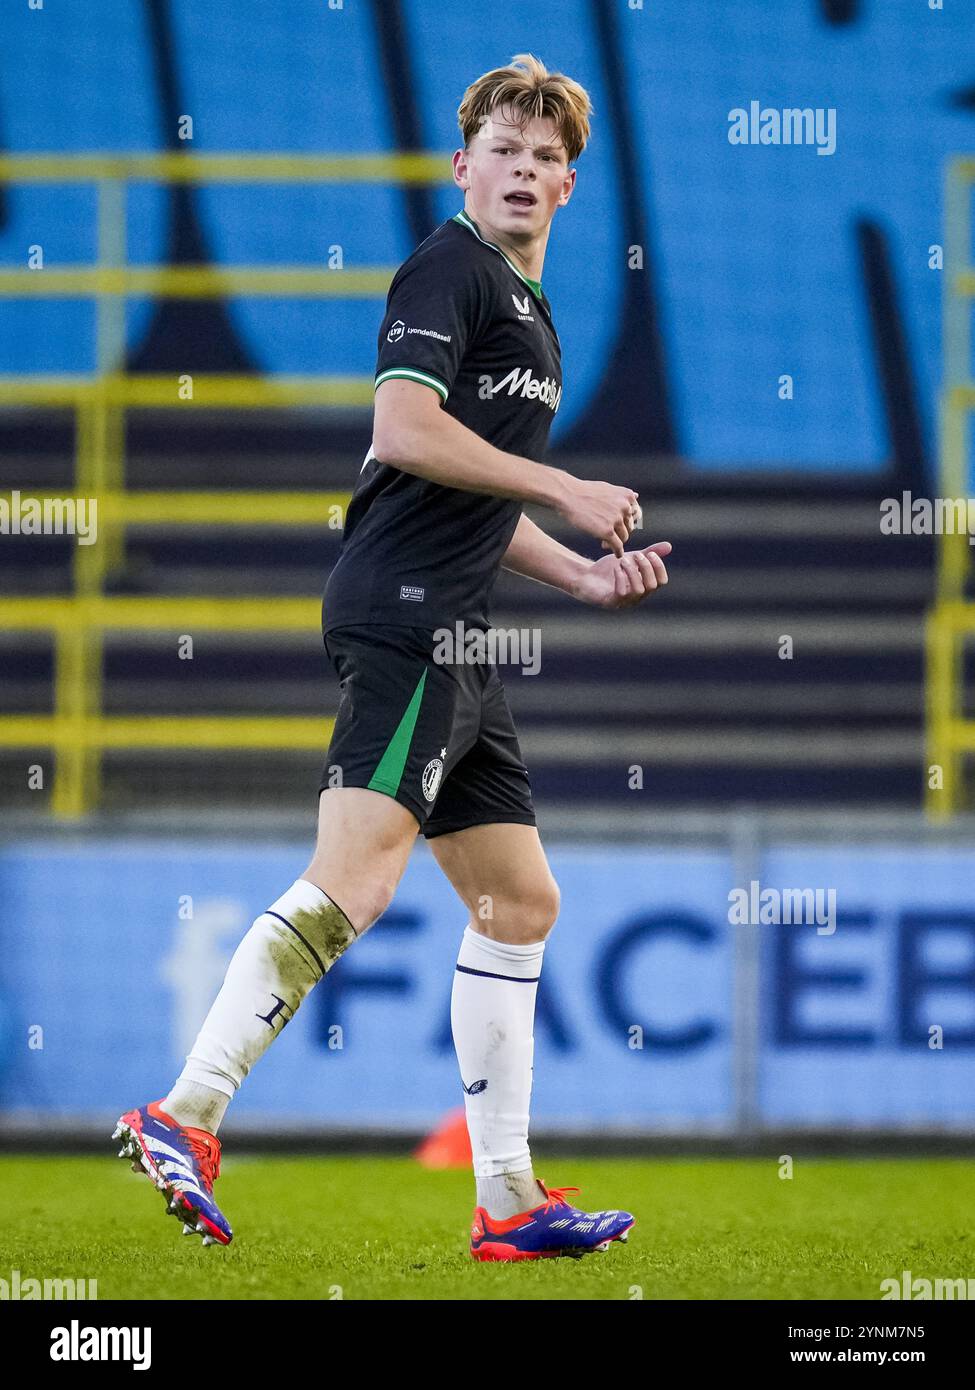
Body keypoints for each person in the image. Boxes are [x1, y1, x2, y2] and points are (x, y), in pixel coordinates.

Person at [114, 53, 671, 1261]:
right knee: (356, 882)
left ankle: (510, 1199)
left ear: (571, 185)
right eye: (502, 150)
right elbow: (403, 430)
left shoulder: (529, 307)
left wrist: (575, 571)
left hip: (460, 629)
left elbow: (465, 486)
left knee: (519, 899)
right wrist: (567, 484)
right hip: (407, 612)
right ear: (462, 165)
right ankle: (183, 1113)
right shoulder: (449, 267)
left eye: (544, 156)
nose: (522, 169)